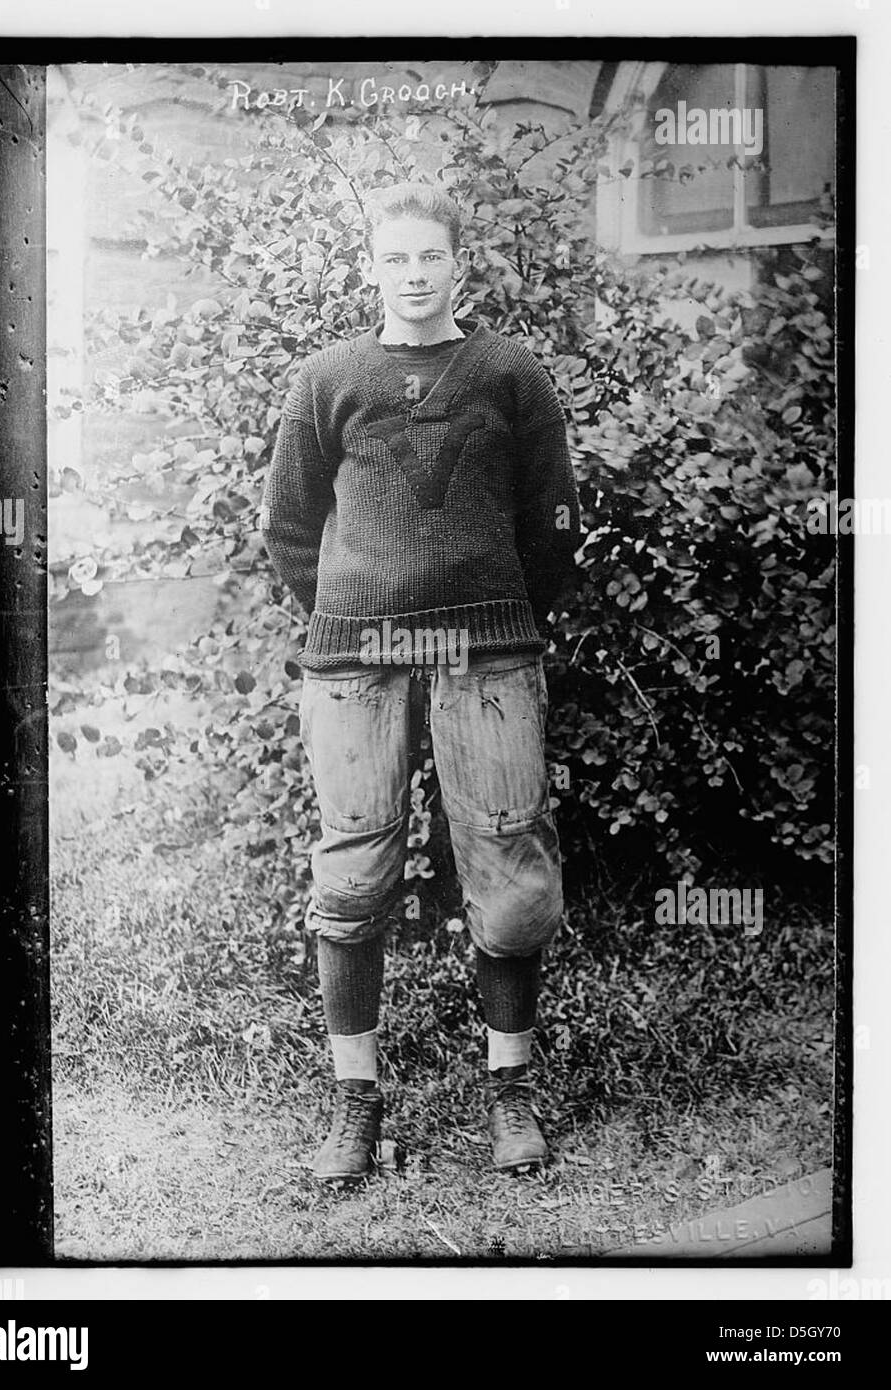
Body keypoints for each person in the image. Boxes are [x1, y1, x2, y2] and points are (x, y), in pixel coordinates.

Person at [262, 181, 581, 1179]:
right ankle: (355, 1105)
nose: (412, 275)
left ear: (459, 266)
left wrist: (499, 614)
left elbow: (554, 521)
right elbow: (288, 525)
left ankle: (510, 1093)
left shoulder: (509, 372)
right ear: (372, 268)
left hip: (487, 652)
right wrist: (357, 615)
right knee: (353, 874)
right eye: (394, 259)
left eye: (428, 258)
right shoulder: (327, 378)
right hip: (357, 661)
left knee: (513, 877)